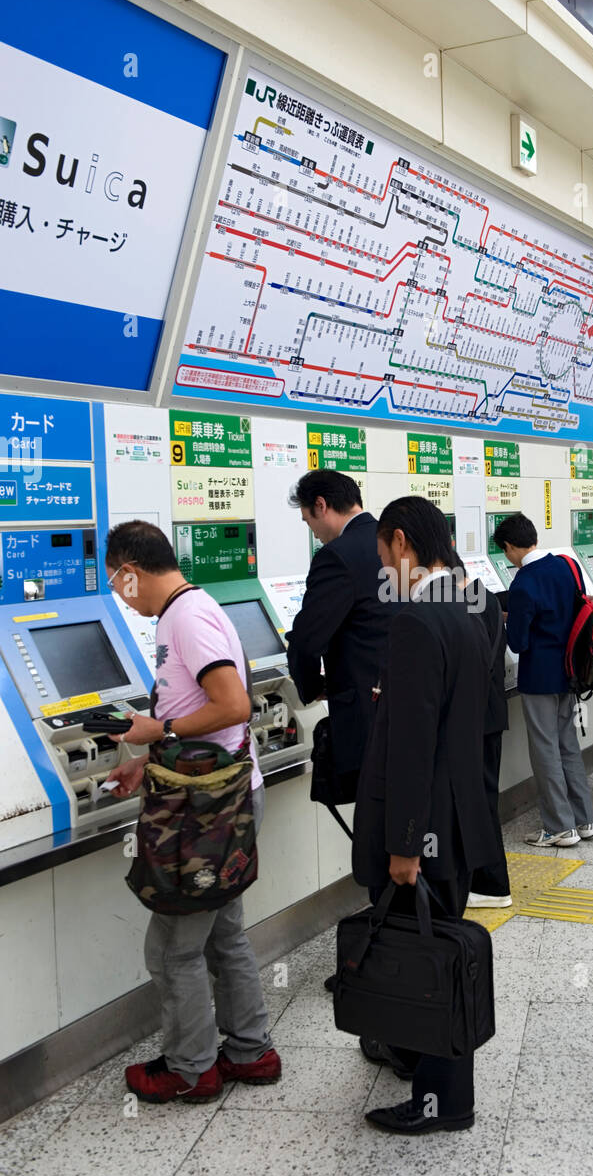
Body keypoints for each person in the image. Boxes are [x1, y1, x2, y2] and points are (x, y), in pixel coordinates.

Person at [104, 521, 280, 1103]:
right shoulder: (191, 608)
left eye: (115, 581)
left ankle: (189, 1069)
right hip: (216, 795)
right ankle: (250, 1052)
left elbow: (233, 705)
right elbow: (191, 703)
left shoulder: (184, 617)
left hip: (206, 809)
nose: (117, 594)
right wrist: (146, 756)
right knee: (222, 932)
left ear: (131, 572)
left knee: (171, 947)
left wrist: (163, 728)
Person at [351, 497, 497, 1134]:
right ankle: (429, 1072)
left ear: (402, 542)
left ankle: (441, 1100)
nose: (386, 570)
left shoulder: (415, 620)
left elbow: (410, 744)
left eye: (385, 557)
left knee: (432, 959)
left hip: (426, 821)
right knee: (439, 952)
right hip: (460, 808)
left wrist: (405, 843)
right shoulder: (469, 604)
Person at [493, 513, 593, 846]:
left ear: (509, 547)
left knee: (545, 750)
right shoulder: (566, 565)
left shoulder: (524, 581)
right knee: (567, 746)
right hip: (570, 672)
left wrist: (506, 620)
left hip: (539, 678)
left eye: (505, 553)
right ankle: (584, 820)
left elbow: (518, 642)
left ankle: (558, 827)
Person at [287, 470, 390, 800]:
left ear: (321, 505)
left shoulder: (336, 556)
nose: (313, 533)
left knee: (375, 820)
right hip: (412, 701)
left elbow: (306, 639)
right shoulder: (396, 540)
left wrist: (312, 687)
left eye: (307, 521)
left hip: (365, 712)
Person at [453, 557, 512, 909]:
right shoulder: (486, 597)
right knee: (484, 799)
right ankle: (487, 880)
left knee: (480, 803)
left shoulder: (465, 606)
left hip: (476, 719)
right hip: (490, 714)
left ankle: (492, 884)